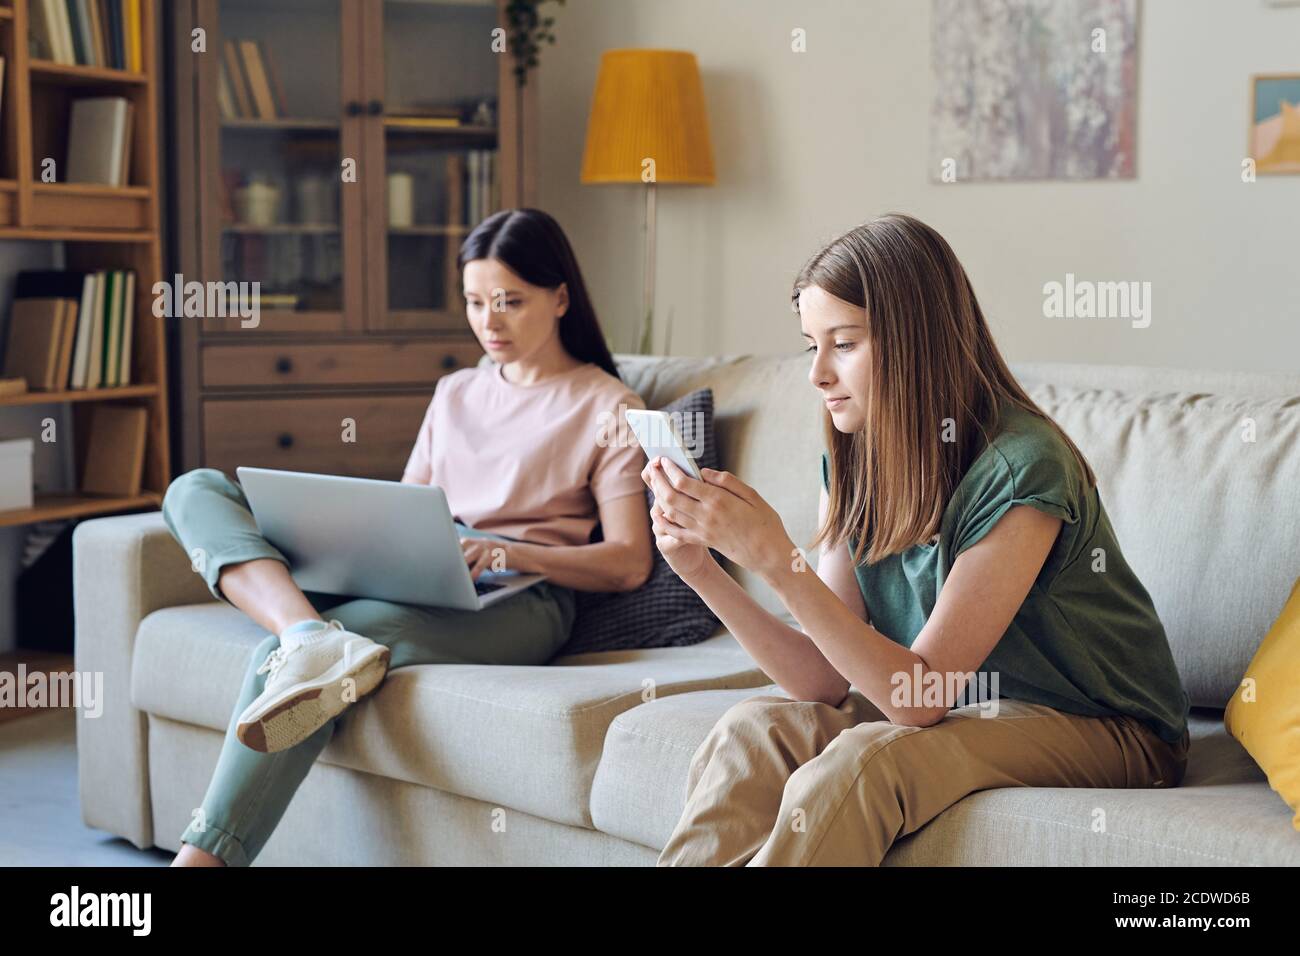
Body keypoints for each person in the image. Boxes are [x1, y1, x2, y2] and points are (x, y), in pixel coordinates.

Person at [645, 213, 1191, 866]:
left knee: (869, 760)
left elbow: (921, 699)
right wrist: (703, 570)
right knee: (753, 731)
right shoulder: (855, 457)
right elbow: (822, 679)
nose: (817, 373)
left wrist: (777, 560)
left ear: (915, 343)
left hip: (1105, 727)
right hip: (974, 709)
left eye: (843, 343)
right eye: (811, 345)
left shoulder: (1021, 466)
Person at [164, 208, 653, 866]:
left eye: (510, 301)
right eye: (474, 302)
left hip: (519, 597)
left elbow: (628, 563)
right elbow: (407, 503)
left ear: (560, 298)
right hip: (418, 565)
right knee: (193, 489)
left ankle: (201, 860)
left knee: (275, 665)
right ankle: (306, 633)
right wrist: (352, 536)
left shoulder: (608, 405)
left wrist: (503, 550)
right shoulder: (455, 391)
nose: (489, 322)